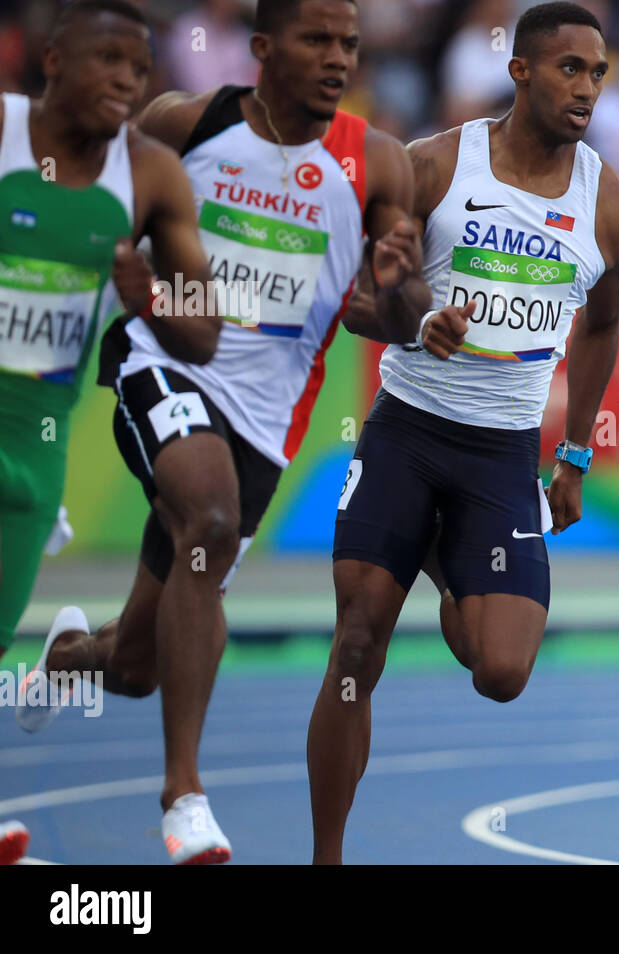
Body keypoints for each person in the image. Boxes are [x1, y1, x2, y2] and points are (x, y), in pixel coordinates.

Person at [20, 0, 431, 865]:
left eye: (350, 45)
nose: (337, 59)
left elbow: (397, 314)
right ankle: (185, 799)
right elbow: (103, 228)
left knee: (140, 664)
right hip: (162, 360)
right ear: (261, 49)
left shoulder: (379, 162)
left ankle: (69, 655)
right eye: (316, 40)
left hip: (267, 417)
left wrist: (395, 289)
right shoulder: (184, 123)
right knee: (204, 519)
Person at [307, 1, 619, 864]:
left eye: (599, 72)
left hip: (501, 457)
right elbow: (352, 306)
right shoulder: (431, 168)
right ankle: (326, 857)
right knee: (357, 642)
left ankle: (443, 554)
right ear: (521, 70)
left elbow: (599, 328)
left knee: (501, 673)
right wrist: (414, 325)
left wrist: (574, 454)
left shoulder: (613, 214)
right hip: (409, 432)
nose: (588, 88)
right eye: (570, 68)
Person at [0, 0, 222, 864]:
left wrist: (151, 299)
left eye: (140, 67)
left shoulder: (151, 177)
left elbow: (203, 331)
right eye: (106, 60)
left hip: (40, 434)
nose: (127, 80)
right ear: (52, 61)